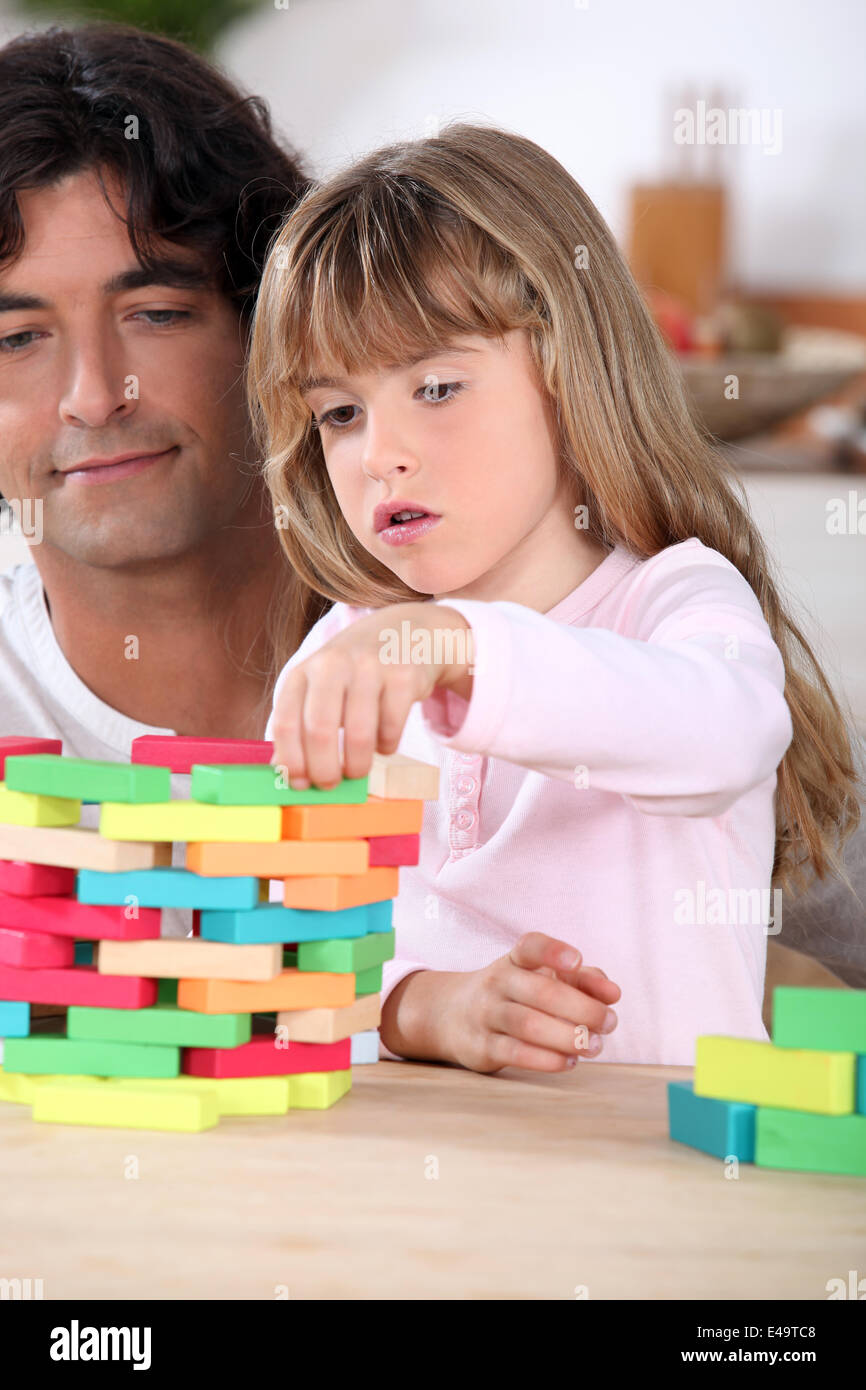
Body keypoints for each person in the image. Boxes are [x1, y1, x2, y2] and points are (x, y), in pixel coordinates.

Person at [250, 122, 864, 1070]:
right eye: (340, 413)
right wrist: (422, 1009)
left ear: (572, 373)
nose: (380, 454)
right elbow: (279, 955)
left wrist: (458, 644)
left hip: (660, 1182)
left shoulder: (677, 600)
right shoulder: (346, 653)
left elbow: (726, 730)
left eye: (439, 387)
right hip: (412, 1192)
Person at [0, 23, 328, 934]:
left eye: (155, 312)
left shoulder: (484, 662)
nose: (94, 397)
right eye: (16, 339)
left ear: (273, 326)